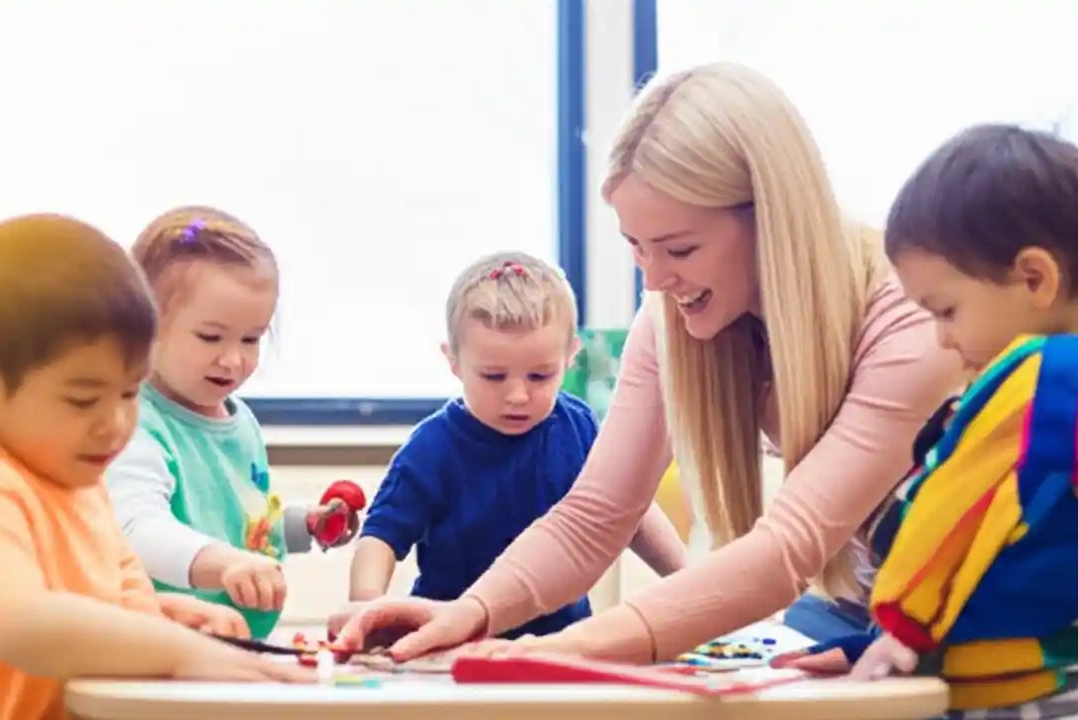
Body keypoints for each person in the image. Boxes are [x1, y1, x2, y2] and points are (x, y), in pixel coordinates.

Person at [331, 61, 962, 664]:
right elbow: (596, 515)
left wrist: (550, 649)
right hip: (868, 610)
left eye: (679, 248)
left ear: (771, 219)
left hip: (985, 623)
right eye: (636, 247)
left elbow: (787, 551)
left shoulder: (913, 315)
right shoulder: (673, 319)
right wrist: (469, 613)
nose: (655, 280)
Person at [0, 214, 312, 720]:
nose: (115, 425)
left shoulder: (83, 484)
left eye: (131, 393)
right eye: (82, 399)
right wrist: (183, 653)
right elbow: (22, 625)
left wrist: (171, 616)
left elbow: (117, 601)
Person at [779, 125, 1078, 718]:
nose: (943, 337)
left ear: (1035, 278)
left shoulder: (1044, 372)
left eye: (947, 311)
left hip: (1008, 689)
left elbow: (949, 512)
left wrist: (898, 627)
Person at [348, 251, 678, 639]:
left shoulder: (580, 425)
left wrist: (689, 578)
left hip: (563, 643)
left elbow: (632, 509)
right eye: (493, 376)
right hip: (450, 643)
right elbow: (381, 538)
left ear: (571, 355)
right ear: (453, 360)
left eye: (540, 375)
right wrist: (365, 608)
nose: (518, 395)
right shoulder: (431, 448)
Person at [106, 205, 359, 641]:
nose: (234, 359)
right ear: (145, 325)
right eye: (210, 337)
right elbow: (138, 530)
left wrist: (301, 526)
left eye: (251, 338)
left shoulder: (240, 422)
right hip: (165, 642)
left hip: (235, 643)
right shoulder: (135, 424)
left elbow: (243, 523)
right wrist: (226, 564)